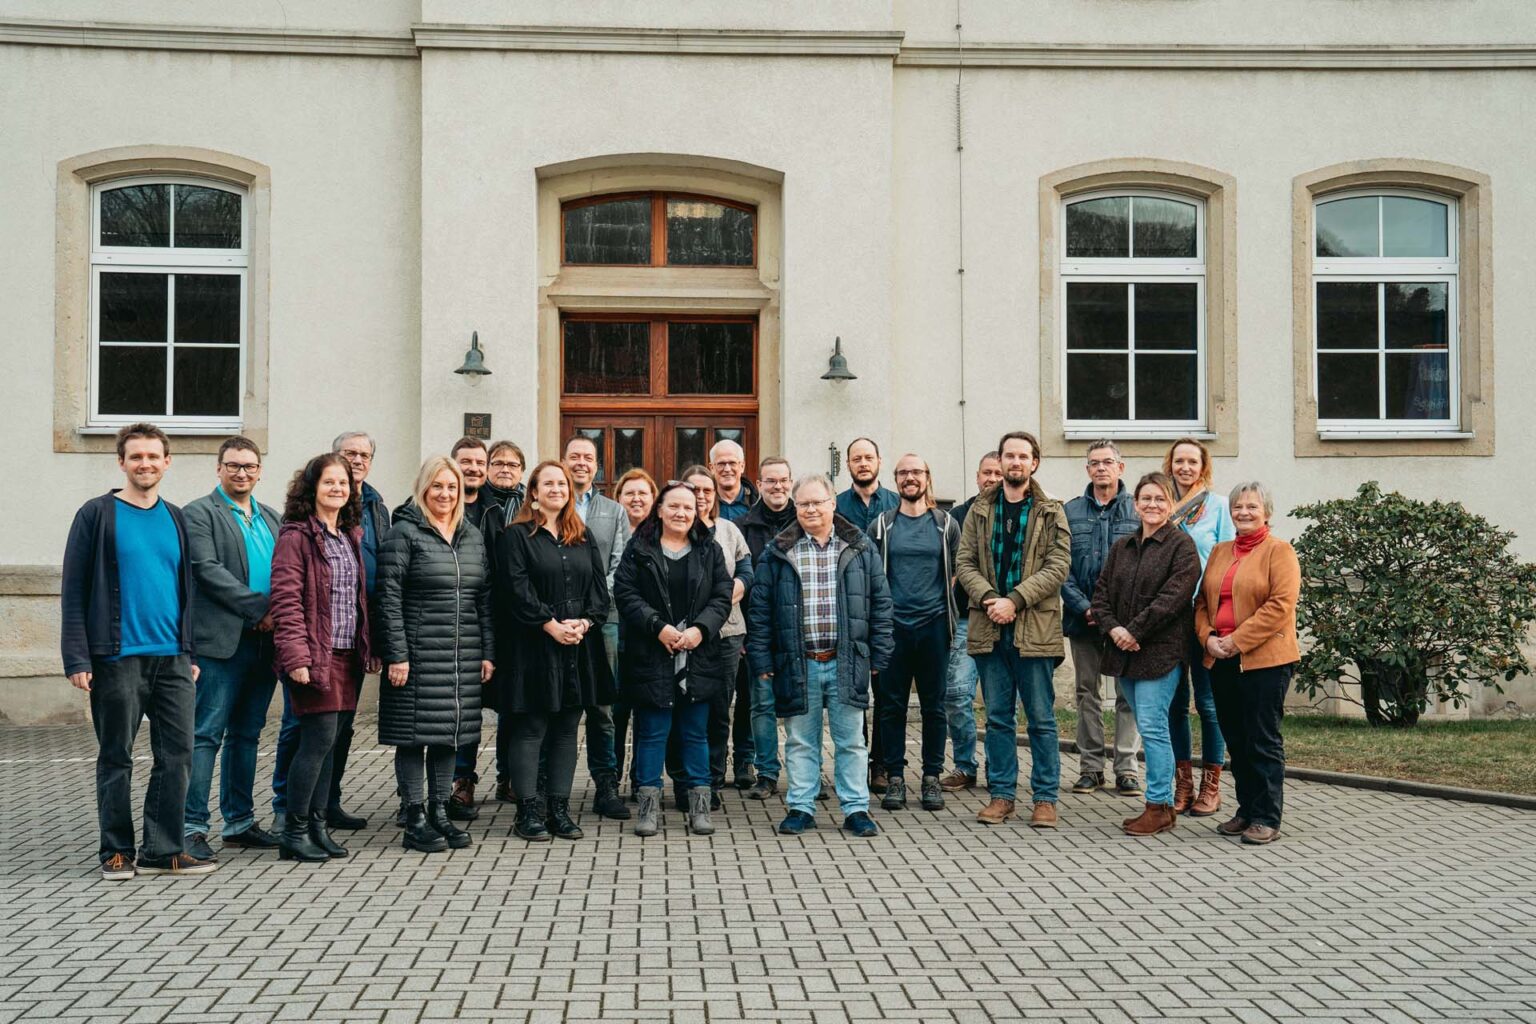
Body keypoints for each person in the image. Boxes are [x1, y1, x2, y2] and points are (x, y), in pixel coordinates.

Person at [62, 423, 211, 880]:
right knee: (117, 755)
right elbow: (74, 588)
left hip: (173, 657)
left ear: (167, 462)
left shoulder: (176, 518)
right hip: (116, 657)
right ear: (121, 462)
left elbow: (186, 591)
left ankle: (162, 849)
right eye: (136, 457)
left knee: (178, 755)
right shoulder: (97, 515)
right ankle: (116, 850)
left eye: (153, 456)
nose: (145, 464)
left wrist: (190, 652)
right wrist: (77, 657)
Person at [748, 474, 893, 838]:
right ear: (795, 507)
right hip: (799, 662)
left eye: (817, 502)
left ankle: (856, 809)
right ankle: (801, 807)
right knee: (800, 741)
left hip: (848, 660)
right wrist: (762, 660)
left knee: (851, 742)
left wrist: (879, 654)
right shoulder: (778, 551)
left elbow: (881, 603)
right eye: (804, 504)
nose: (811, 509)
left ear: (833, 504)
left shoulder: (859, 547)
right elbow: (760, 610)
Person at [377, 456, 494, 853]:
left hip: (462, 656)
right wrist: (397, 654)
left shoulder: (471, 535)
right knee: (413, 738)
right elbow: (388, 599)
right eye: (437, 486)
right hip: (417, 655)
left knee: (449, 735)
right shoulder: (404, 533)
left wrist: (487, 652)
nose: (445, 494)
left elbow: (483, 600)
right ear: (423, 488)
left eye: (452, 487)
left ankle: (440, 812)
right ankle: (414, 818)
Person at [955, 431, 1071, 828]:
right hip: (989, 627)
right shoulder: (979, 510)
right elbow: (964, 562)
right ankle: (1002, 795)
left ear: (1034, 463)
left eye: (1023, 456)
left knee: (1040, 719)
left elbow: (1058, 566)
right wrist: (991, 598)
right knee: (998, 719)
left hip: (1035, 630)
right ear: (1001, 461)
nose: (1016, 462)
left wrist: (1015, 600)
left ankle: (1045, 799)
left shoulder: (1051, 511)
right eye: (1010, 455)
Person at [273, 431, 386, 834]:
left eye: (342, 483)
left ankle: (318, 827)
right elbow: (286, 601)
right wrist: (296, 658)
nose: (337, 488)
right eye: (329, 482)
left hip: (346, 655)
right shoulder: (296, 536)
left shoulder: (348, 535)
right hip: (315, 655)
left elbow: (358, 598)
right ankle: (295, 829)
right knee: (316, 742)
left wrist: (369, 646)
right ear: (312, 488)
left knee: (333, 742)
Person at [496, 461, 615, 842]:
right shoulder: (515, 536)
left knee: (566, 728)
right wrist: (550, 624)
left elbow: (599, 589)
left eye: (562, 484)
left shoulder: (582, 535)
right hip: (533, 645)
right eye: (548, 483)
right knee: (531, 727)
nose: (557, 489)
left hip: (578, 646)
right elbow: (515, 590)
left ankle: (559, 810)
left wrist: (585, 623)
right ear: (533, 492)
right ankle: (528, 811)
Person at [613, 480, 735, 836]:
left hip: (698, 654)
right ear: (660, 510)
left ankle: (700, 807)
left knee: (695, 734)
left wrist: (700, 630)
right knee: (652, 733)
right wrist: (657, 627)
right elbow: (626, 593)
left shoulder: (709, 549)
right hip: (653, 654)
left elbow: (722, 596)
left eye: (688, 507)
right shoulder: (639, 549)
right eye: (674, 506)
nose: (682, 513)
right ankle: (648, 809)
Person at [182, 436, 283, 860]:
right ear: (219, 468)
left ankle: (239, 822)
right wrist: (258, 608)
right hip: (222, 644)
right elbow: (206, 570)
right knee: (205, 734)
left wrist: (277, 614)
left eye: (249, 466)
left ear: (259, 471)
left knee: (247, 734)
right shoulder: (198, 513)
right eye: (233, 465)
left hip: (266, 642)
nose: (242, 472)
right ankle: (190, 827)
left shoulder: (272, 517)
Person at [1089, 473, 1201, 836]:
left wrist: (1133, 631)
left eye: (1160, 499)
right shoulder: (1123, 546)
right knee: (1147, 724)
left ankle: (1157, 805)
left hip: (1161, 654)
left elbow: (1172, 600)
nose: (1152, 505)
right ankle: (1162, 807)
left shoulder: (1182, 547)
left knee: (1153, 728)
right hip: (1125, 652)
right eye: (1146, 499)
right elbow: (1101, 595)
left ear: (1171, 505)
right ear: (1135, 505)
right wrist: (1115, 630)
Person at [1195, 482, 1301, 846]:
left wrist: (1236, 640)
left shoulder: (1279, 551)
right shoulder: (1220, 551)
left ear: (1266, 512)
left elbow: (1280, 606)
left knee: (1262, 739)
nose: (1244, 512)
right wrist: (1208, 637)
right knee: (1236, 740)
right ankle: (1246, 810)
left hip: (1264, 661)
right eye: (1238, 507)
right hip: (1221, 659)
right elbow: (1202, 603)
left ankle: (1267, 816)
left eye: (1252, 507)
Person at [866, 454, 959, 813]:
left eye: (916, 472)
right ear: (896, 479)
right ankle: (894, 778)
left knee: (935, 707)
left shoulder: (946, 524)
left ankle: (932, 777)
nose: (910, 477)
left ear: (927, 477)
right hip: (893, 628)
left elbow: (956, 570)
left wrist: (939, 605)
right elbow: (872, 574)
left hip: (934, 627)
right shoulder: (882, 525)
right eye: (903, 472)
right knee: (891, 707)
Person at [450, 439, 528, 818]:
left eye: (512, 464)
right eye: (498, 463)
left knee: (512, 704)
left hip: (513, 621)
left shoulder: (523, 505)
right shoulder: (470, 503)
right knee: (469, 705)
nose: (504, 469)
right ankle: (462, 778)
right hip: (471, 618)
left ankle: (508, 776)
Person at [1061, 441, 1143, 798]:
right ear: (1087, 469)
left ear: (1120, 468)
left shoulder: (1138, 510)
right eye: (1094, 463)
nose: (1100, 468)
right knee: (1087, 693)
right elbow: (1059, 566)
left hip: (1125, 622)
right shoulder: (1070, 512)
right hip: (1083, 619)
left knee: (1128, 694)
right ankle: (1091, 768)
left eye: (1107, 462)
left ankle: (1126, 768)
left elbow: (1147, 566)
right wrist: (1085, 607)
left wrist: (1118, 616)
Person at [1164, 437, 1236, 815]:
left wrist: (1221, 618)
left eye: (1193, 461)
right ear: (1170, 464)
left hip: (1206, 615)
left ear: (1203, 466)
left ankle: (1211, 786)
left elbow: (1226, 564)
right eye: (1180, 461)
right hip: (1169, 618)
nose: (1185, 467)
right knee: (1176, 704)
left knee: (1208, 704)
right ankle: (1183, 784)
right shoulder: (1160, 503)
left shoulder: (1218, 506)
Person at [677, 465, 754, 808]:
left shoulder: (729, 530)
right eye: (694, 490)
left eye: (707, 490)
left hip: (726, 633)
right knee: (685, 710)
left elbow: (747, 570)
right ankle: (685, 780)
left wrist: (731, 592)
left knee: (719, 710)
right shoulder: (673, 529)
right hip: (683, 635)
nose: (701, 496)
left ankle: (712, 780)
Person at [561, 436, 629, 820]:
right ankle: (552, 788)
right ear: (564, 461)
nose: (581, 463)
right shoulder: (551, 505)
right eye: (575, 456)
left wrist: (591, 608)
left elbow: (620, 563)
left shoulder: (613, 511)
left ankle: (606, 785)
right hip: (558, 623)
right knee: (560, 706)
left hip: (604, 622)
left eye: (588, 457)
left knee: (603, 708)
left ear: (597, 465)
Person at [939, 451, 1001, 792]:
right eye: (986, 472)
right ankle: (965, 765)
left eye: (998, 473)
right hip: (965, 619)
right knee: (956, 693)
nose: (992, 478)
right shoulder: (957, 517)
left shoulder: (1016, 514)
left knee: (999, 701)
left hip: (1003, 620)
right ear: (977, 477)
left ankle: (998, 768)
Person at [738, 456, 795, 799]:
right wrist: (744, 633)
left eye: (783, 480)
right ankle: (767, 774)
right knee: (761, 705)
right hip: (759, 631)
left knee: (802, 708)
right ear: (759, 485)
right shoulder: (744, 527)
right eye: (770, 481)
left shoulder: (805, 521)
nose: (778, 486)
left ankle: (807, 774)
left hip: (799, 631)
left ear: (791, 482)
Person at [610, 467, 657, 795]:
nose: (636, 498)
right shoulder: (609, 533)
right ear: (619, 498)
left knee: (645, 713)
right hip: (614, 633)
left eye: (643, 493)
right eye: (630, 493)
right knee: (614, 713)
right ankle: (610, 779)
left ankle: (641, 778)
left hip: (649, 636)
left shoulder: (660, 535)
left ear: (653, 499)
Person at [835, 437, 899, 533]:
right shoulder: (836, 506)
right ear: (848, 465)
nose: (863, 464)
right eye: (857, 459)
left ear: (879, 461)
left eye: (869, 458)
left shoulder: (898, 504)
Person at [451, 436, 499, 530]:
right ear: (452, 466)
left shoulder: (494, 511)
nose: (474, 468)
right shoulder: (439, 507)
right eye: (466, 462)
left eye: (480, 463)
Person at [710, 438, 758, 523]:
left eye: (732, 463)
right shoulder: (705, 504)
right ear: (712, 468)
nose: (727, 469)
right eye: (721, 464)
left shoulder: (758, 504)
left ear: (742, 466)